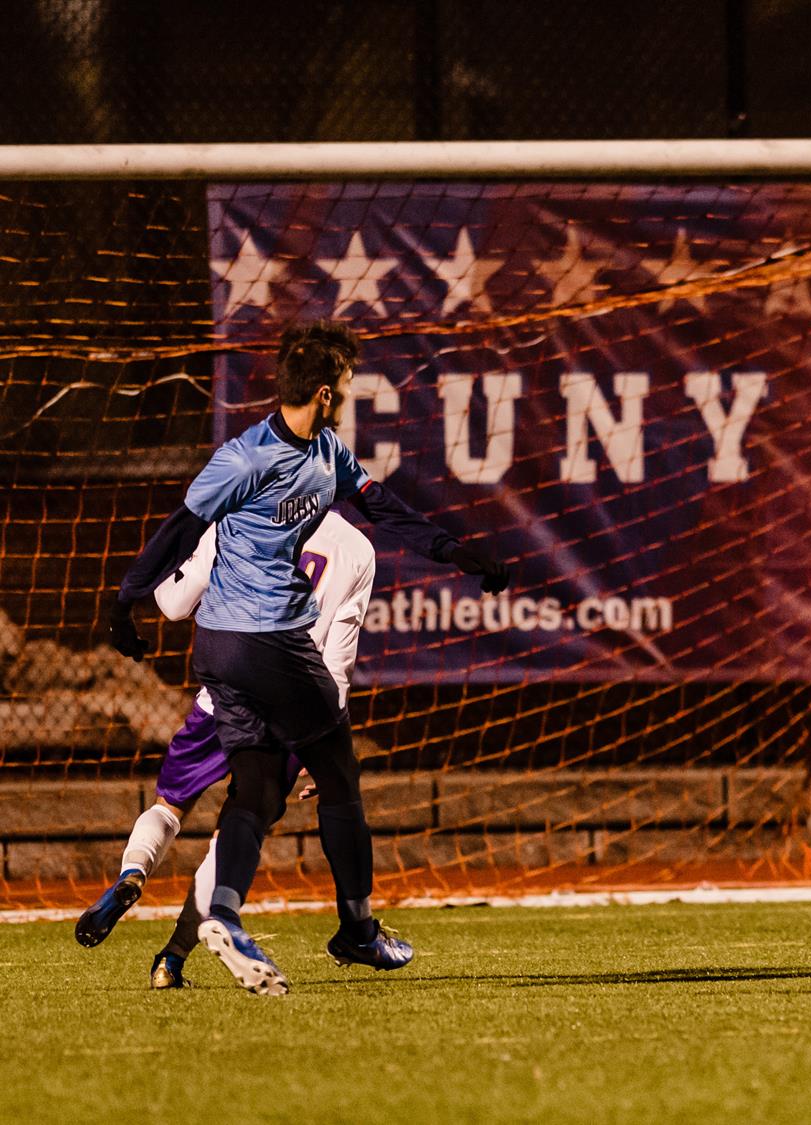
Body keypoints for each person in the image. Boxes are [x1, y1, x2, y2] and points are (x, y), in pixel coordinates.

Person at [107, 320, 510, 995]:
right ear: (324, 392)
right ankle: (356, 929)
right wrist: (123, 598)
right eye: (347, 385)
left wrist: (451, 550)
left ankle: (224, 915)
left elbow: (380, 504)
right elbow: (180, 525)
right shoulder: (245, 458)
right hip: (278, 644)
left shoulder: (326, 451)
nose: (350, 394)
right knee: (340, 775)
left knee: (256, 788)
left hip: (221, 653)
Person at [75, 511, 373, 991]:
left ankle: (133, 873)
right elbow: (339, 661)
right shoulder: (356, 547)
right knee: (235, 832)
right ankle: (171, 959)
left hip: (224, 696)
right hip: (296, 711)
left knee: (169, 806)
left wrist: (177, 557)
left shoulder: (237, 518)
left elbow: (172, 605)